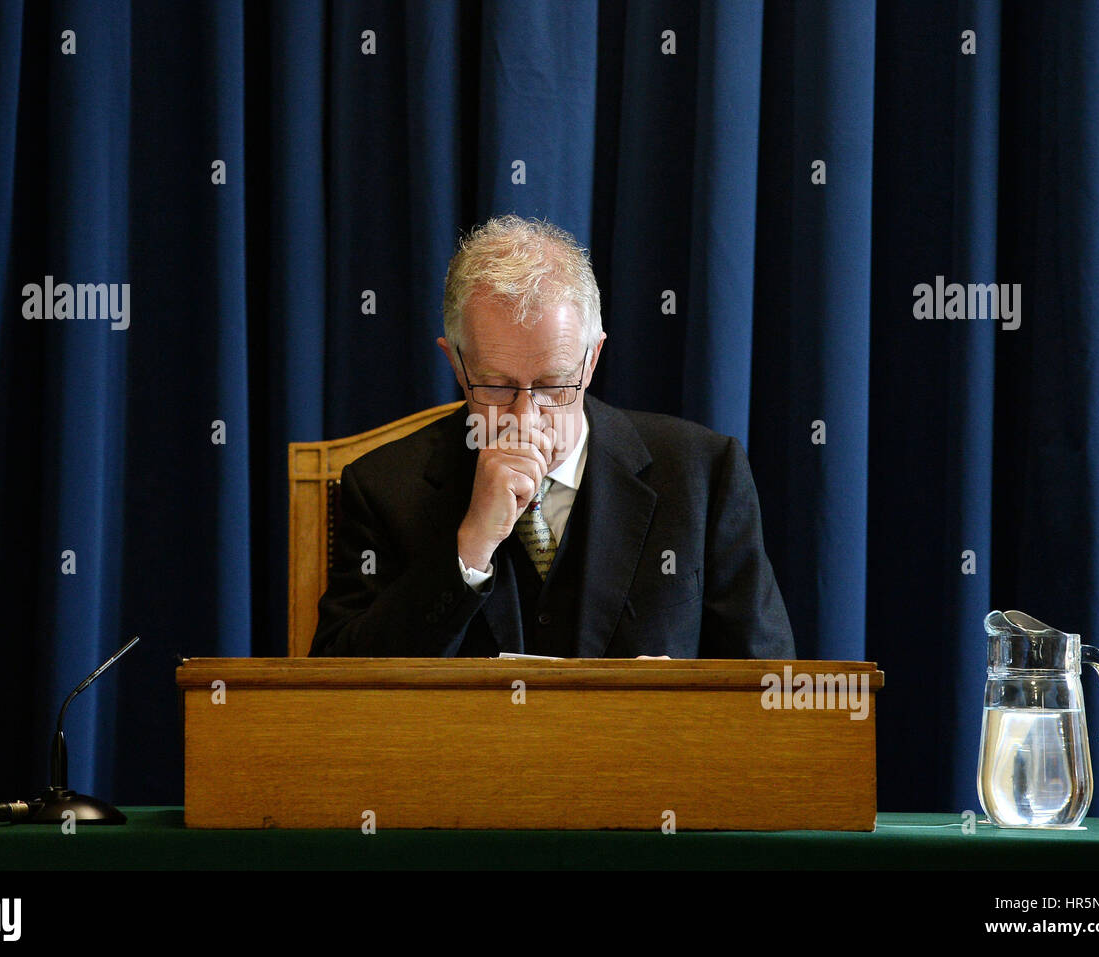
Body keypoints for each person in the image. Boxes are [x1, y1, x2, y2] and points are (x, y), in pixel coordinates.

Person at [311, 215, 795, 659]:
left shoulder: (702, 474)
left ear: (592, 360)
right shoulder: (380, 487)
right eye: (497, 386)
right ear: (456, 365)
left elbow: (768, 687)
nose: (526, 415)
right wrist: (471, 549)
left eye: (552, 385)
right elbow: (340, 685)